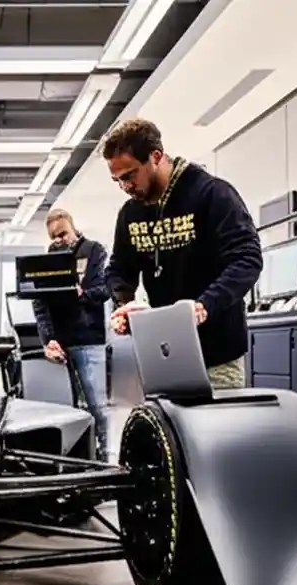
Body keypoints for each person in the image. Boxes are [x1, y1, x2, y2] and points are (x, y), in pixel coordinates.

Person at [101, 118, 262, 389]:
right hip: (164, 351)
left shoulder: (211, 194)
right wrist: (124, 303)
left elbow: (247, 259)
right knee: (168, 417)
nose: (125, 187)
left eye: (129, 176)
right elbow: (119, 269)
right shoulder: (131, 213)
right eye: (117, 180)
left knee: (217, 416)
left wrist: (203, 306)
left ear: (156, 156)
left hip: (216, 352)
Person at [30, 208, 111, 458]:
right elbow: (40, 304)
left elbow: (106, 289)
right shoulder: (49, 259)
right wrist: (48, 340)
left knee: (98, 406)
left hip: (89, 340)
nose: (59, 240)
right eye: (54, 237)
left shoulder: (94, 251)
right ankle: (78, 459)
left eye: (63, 234)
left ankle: (107, 456)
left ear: (73, 229)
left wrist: (82, 294)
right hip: (60, 343)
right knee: (67, 410)